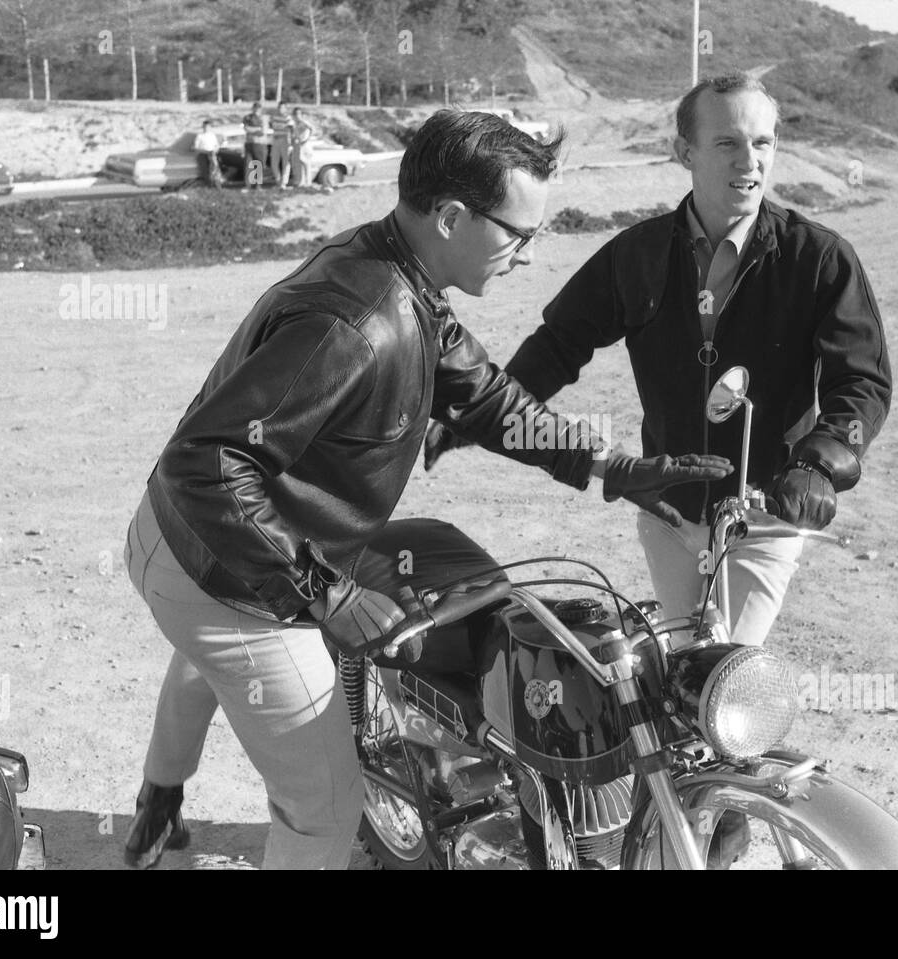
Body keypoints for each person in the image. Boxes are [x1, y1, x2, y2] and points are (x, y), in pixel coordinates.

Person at [121, 109, 731, 870]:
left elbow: (488, 400)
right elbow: (207, 462)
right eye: (519, 234)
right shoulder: (359, 322)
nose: (526, 255)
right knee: (322, 812)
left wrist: (610, 468)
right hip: (224, 576)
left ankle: (156, 809)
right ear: (450, 216)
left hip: (183, 540)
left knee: (198, 665)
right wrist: (323, 591)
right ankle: (168, 815)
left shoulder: (402, 273)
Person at [425, 75, 892, 650]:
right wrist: (473, 417)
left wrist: (823, 463)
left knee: (722, 672)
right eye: (728, 143)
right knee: (681, 680)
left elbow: (861, 380)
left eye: (763, 143)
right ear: (685, 152)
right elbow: (559, 344)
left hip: (764, 515)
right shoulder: (636, 254)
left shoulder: (819, 259)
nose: (750, 160)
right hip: (667, 510)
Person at [241, 101, 269, 191]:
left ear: (261, 109)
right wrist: (257, 129)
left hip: (260, 144)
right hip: (249, 143)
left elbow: (263, 132)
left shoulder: (264, 118)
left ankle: (258, 185)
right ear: (252, 108)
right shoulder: (247, 117)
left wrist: (251, 129)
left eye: (258, 108)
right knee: (249, 164)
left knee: (259, 164)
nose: (256, 109)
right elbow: (246, 128)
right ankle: (248, 185)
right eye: (255, 107)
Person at [270, 101, 294, 188]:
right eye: (279, 107)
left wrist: (291, 144)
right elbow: (271, 126)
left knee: (285, 163)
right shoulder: (274, 117)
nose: (281, 109)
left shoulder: (288, 118)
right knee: (274, 162)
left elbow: (291, 130)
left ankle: (284, 183)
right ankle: (278, 180)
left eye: (283, 107)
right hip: (276, 140)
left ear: (286, 109)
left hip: (285, 141)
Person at [290, 107, 315, 189]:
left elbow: (312, 129)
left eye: (298, 114)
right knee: (300, 164)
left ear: (301, 115)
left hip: (306, 145)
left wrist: (308, 138)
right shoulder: (295, 124)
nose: (297, 116)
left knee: (306, 164)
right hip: (299, 145)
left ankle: (308, 183)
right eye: (295, 114)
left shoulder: (304, 122)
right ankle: (302, 183)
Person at [192, 120, 221, 189]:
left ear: (210, 127)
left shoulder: (212, 135)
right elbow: (196, 147)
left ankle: (216, 185)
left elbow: (216, 145)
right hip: (203, 154)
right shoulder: (200, 136)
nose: (206, 128)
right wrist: (205, 152)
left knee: (214, 170)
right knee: (205, 170)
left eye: (208, 127)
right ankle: (208, 185)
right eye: (204, 127)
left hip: (212, 154)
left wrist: (215, 150)